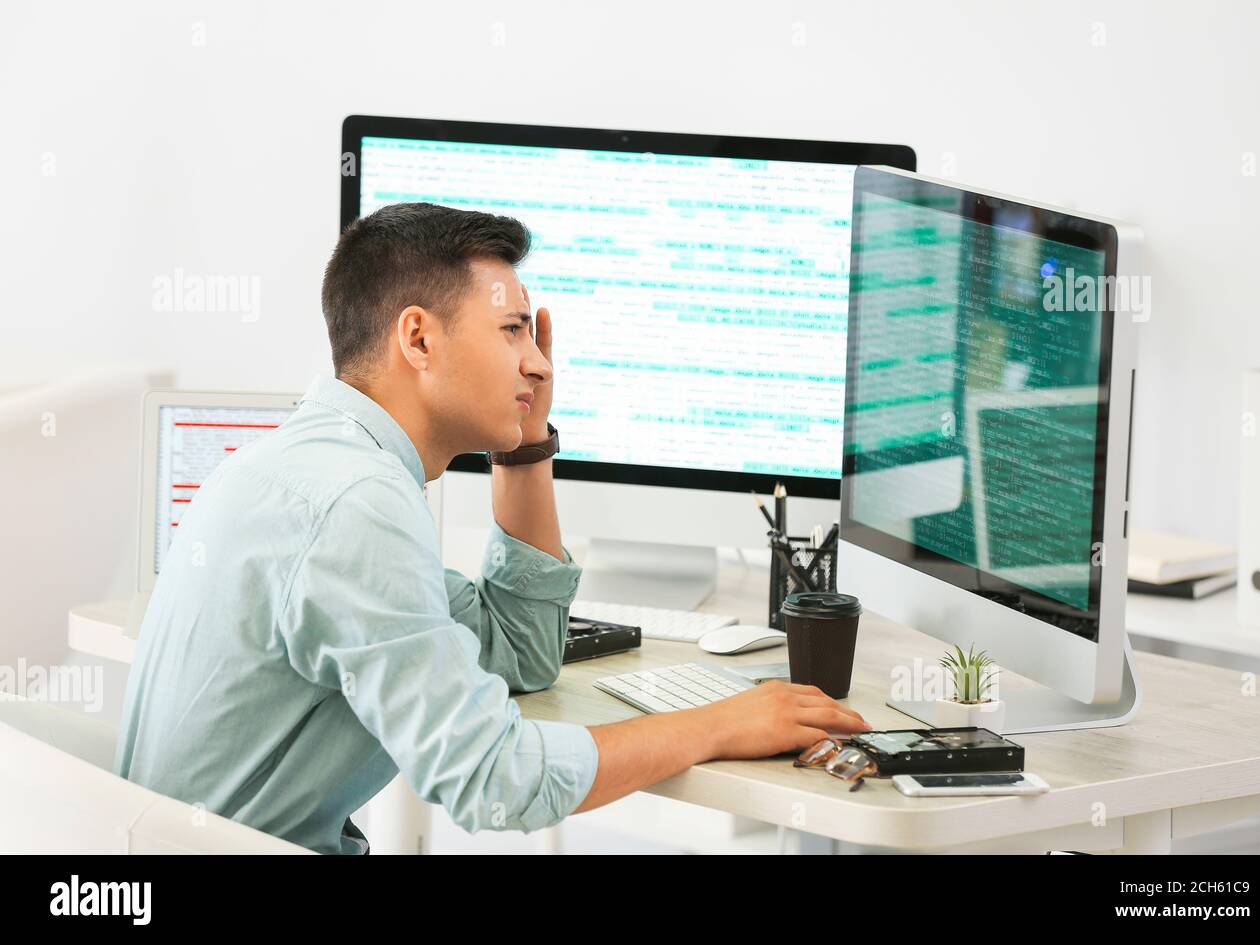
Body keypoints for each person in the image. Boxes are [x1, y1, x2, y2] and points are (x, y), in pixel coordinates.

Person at [114, 202, 870, 854]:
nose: (537, 362)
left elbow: (520, 649)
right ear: (418, 340)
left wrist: (526, 443)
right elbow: (489, 778)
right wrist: (717, 724)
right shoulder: (356, 505)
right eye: (512, 329)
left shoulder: (316, 463)